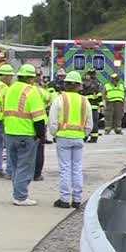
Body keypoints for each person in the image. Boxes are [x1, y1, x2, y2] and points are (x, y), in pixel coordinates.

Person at [2, 63, 47, 206]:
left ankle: (17, 194)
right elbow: (38, 117)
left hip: (10, 133)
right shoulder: (31, 91)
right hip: (26, 134)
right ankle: (20, 197)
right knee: (25, 167)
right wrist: (41, 136)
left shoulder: (10, 89)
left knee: (15, 166)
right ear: (30, 78)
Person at [49, 71, 92, 209]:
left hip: (63, 137)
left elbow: (53, 121)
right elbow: (89, 123)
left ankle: (65, 199)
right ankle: (77, 199)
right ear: (79, 86)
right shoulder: (85, 101)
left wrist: (54, 133)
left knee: (65, 169)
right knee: (77, 168)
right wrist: (84, 134)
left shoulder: (60, 99)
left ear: (66, 84)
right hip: (78, 138)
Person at [32, 70, 54, 181]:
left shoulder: (23, 89)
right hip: (40, 120)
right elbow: (50, 99)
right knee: (39, 149)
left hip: (25, 123)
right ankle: (36, 174)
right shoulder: (40, 90)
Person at [82, 69, 102, 143]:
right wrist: (101, 105)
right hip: (90, 107)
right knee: (88, 123)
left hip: (91, 107)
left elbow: (99, 96)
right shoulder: (97, 83)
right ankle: (88, 137)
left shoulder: (93, 84)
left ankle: (91, 137)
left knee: (90, 123)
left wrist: (101, 105)